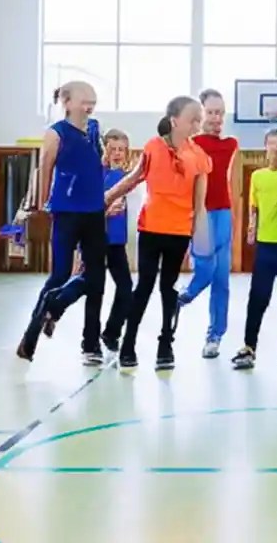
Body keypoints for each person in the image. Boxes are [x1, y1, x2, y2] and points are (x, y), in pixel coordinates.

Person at [104, 96, 210, 372]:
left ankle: (166, 344)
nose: (197, 125)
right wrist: (106, 198)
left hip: (179, 231)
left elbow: (199, 203)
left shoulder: (199, 156)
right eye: (192, 119)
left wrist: (200, 234)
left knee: (168, 288)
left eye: (199, 120)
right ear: (174, 121)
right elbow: (134, 177)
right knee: (144, 286)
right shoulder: (153, 147)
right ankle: (128, 344)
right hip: (151, 228)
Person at [16, 81, 109, 365]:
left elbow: (97, 162)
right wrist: (40, 205)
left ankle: (89, 343)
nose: (89, 106)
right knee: (59, 275)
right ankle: (30, 338)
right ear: (67, 103)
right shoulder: (56, 133)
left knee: (96, 279)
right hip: (66, 211)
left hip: (95, 211)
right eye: (84, 100)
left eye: (93, 101)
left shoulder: (95, 129)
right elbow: (45, 168)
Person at [37, 129, 135, 360]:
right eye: (113, 149)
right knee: (93, 289)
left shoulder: (126, 177)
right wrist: (104, 210)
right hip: (95, 238)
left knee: (125, 287)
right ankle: (88, 341)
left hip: (116, 241)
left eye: (121, 149)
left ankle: (110, 333)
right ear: (105, 150)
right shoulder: (95, 175)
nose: (117, 153)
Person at [231, 128, 277, 369]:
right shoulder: (258, 176)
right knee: (257, 298)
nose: (275, 151)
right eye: (271, 145)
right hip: (265, 247)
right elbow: (254, 205)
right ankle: (249, 346)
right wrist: (251, 226)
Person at [178, 89, 240, 359]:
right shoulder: (189, 145)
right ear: (200, 114)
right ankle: (183, 297)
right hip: (200, 215)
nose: (217, 118)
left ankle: (215, 336)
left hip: (223, 213)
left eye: (221, 113)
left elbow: (228, 180)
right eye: (212, 112)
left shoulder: (231, 144)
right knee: (205, 270)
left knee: (222, 279)